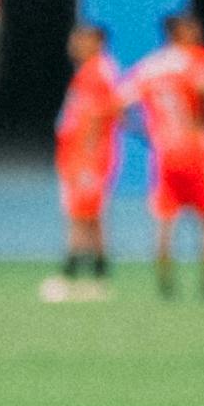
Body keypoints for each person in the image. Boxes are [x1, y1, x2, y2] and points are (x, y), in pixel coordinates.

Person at [127, 5, 204, 299]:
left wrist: (144, 131)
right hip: (198, 147)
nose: (198, 32)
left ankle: (165, 283)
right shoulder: (198, 60)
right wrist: (201, 119)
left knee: (164, 219)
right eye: (192, 27)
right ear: (179, 32)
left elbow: (121, 103)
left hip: (165, 150)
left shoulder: (151, 65)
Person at [41, 18, 125, 302]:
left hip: (88, 157)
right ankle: (99, 277)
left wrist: (88, 154)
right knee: (91, 215)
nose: (74, 45)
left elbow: (104, 114)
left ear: (97, 42)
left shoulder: (98, 73)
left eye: (81, 39)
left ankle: (70, 275)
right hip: (80, 155)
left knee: (80, 215)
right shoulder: (91, 71)